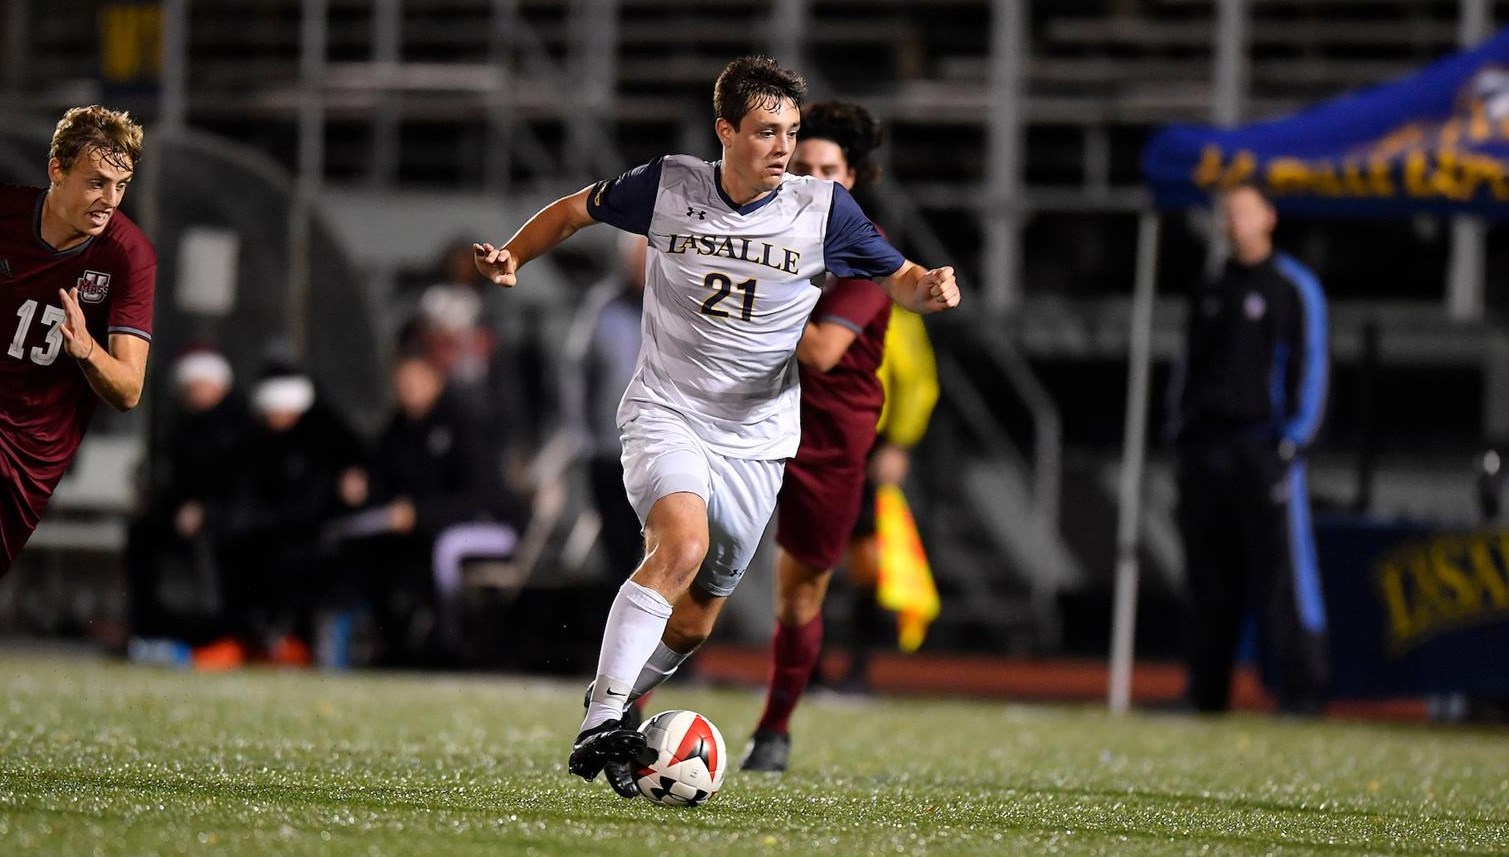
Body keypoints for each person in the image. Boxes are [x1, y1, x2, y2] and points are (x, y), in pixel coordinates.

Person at [473, 55, 960, 798]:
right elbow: (575, 209)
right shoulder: (671, 184)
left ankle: (614, 702)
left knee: (697, 618)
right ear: (724, 130)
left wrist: (927, 287)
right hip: (668, 408)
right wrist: (514, 253)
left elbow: (896, 277)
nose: (782, 148)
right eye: (766, 131)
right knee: (682, 543)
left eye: (790, 133)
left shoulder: (821, 209)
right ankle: (605, 714)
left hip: (758, 436)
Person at [739, 100, 897, 772]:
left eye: (826, 169)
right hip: (742, 420)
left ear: (853, 178)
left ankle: (774, 728)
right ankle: (621, 707)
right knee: (686, 557)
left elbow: (822, 350)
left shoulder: (868, 254)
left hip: (826, 443)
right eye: (799, 167)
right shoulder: (749, 225)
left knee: (800, 592)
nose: (809, 180)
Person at [1168, 182, 1329, 715]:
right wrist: (1182, 435)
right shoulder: (1211, 286)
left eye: (1244, 212)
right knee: (1208, 578)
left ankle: (1301, 694)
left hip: (1265, 450)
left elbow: (1312, 364)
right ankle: (1206, 692)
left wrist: (1294, 440)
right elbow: (1188, 367)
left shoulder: (1292, 286)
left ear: (1269, 219)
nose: (1234, 222)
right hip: (1207, 450)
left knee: (1280, 577)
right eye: (1227, 213)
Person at [0, 105, 155, 578]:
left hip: (29, 453)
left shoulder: (128, 256)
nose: (110, 199)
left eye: (121, 185)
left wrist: (88, 351)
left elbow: (129, 390)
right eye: (96, 182)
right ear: (56, 170)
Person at [334, 350, 522, 664]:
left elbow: (481, 496)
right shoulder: (400, 426)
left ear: (435, 380)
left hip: (489, 527)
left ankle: (451, 642)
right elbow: (382, 475)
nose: (408, 391)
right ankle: (387, 643)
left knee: (446, 547)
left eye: (415, 381)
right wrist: (363, 486)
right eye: (401, 383)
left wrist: (420, 514)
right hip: (425, 527)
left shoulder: (463, 423)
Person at [124, 347, 248, 643]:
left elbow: (243, 488)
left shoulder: (239, 428)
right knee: (142, 536)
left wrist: (206, 510)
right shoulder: (181, 428)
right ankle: (149, 630)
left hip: (228, 519)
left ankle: (213, 633)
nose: (195, 392)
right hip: (185, 515)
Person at [563, 232, 648, 579]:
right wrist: (581, 436)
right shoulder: (602, 307)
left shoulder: (680, 302)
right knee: (617, 552)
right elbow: (575, 375)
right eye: (638, 255)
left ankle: (660, 633)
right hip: (609, 452)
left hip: (663, 450)